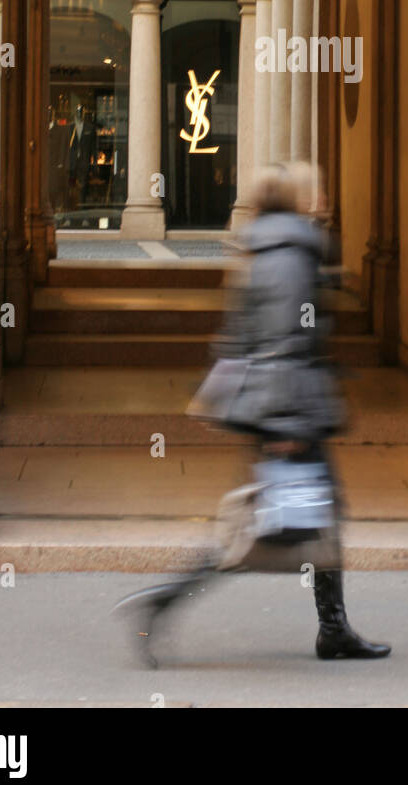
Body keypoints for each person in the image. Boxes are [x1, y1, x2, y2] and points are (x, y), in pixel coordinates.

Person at [112, 162, 390, 665]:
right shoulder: (291, 254)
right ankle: (160, 604)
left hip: (282, 403)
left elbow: (242, 335)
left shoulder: (265, 248)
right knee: (256, 533)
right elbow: (285, 339)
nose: (326, 197)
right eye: (318, 189)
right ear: (302, 199)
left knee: (316, 518)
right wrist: (288, 426)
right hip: (288, 408)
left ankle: (334, 628)